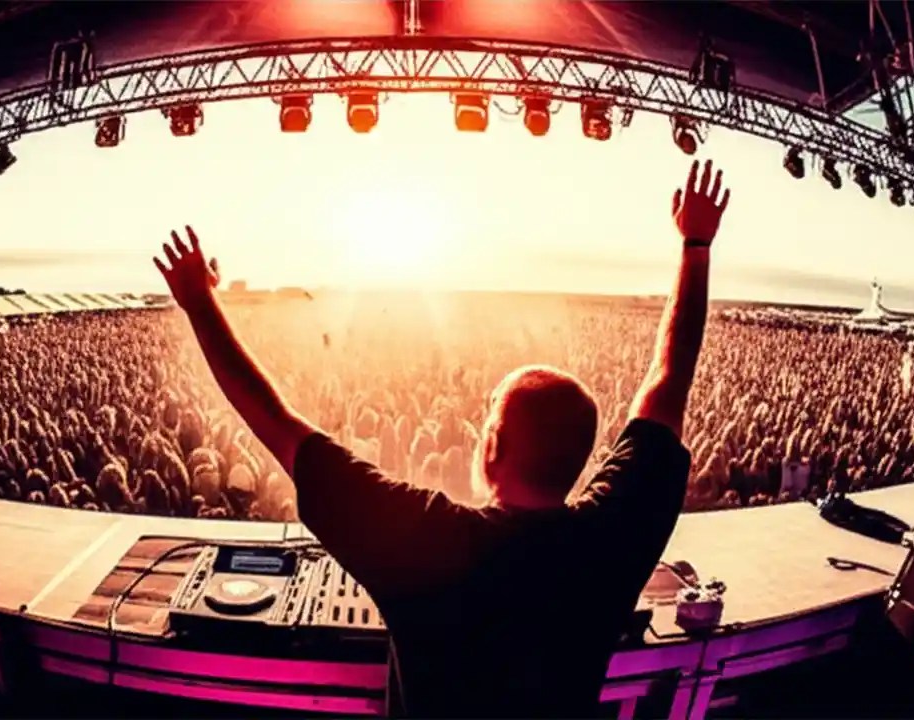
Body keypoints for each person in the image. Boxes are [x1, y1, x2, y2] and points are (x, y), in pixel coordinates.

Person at [154, 159, 731, 717]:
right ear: (580, 459)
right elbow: (670, 377)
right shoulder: (612, 538)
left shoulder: (427, 543)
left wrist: (199, 300)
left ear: (491, 448)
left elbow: (273, 421)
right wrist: (696, 247)